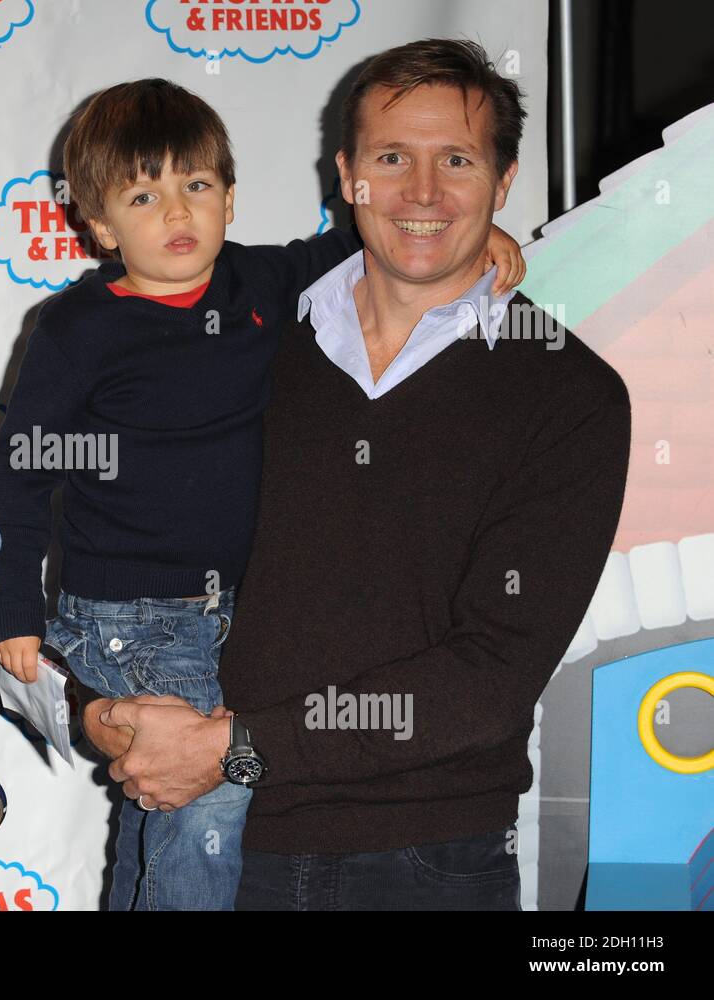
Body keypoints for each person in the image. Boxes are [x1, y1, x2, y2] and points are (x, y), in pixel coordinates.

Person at [87, 39, 631, 911]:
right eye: (391, 159)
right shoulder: (242, 338)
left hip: (422, 863)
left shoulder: (568, 393)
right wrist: (94, 705)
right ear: (347, 176)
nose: (422, 192)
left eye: (455, 160)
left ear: (504, 181)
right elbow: (116, 545)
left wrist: (239, 747)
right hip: (188, 836)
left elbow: (491, 676)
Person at [0, 77, 524, 910]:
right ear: (97, 224)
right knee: (212, 792)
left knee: (157, 808)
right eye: (143, 194)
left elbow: (370, 241)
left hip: (237, 608)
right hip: (131, 617)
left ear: (231, 199)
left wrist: (488, 237)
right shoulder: (76, 329)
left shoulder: (262, 284)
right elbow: (18, 467)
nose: (176, 213)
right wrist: (13, 602)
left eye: (196, 186)